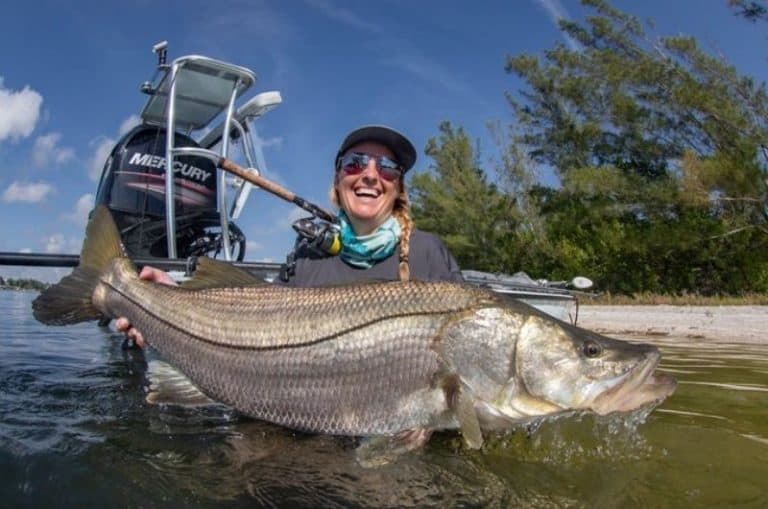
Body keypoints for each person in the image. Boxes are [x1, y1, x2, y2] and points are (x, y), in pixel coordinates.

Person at [116, 125, 463, 346]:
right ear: (338, 181)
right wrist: (170, 302)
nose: (371, 175)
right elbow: (254, 321)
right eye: (356, 163)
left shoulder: (429, 254)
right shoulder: (307, 257)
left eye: (387, 167)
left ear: (398, 186)